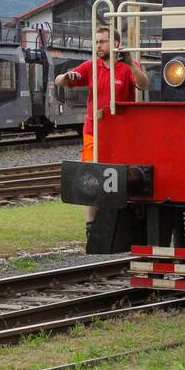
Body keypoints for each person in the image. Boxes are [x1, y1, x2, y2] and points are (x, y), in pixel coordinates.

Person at [54, 25, 150, 227]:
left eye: (103, 41)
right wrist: (66, 77)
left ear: (116, 43)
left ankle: (122, 219)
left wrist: (132, 64)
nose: (99, 46)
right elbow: (60, 81)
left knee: (122, 177)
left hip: (121, 133)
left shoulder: (127, 68)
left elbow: (144, 84)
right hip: (94, 131)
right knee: (89, 176)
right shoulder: (91, 66)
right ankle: (90, 225)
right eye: (96, 42)